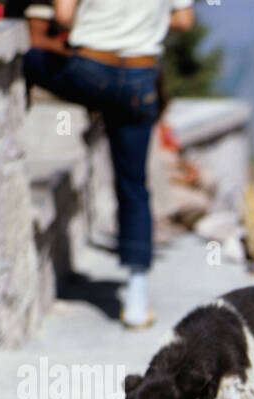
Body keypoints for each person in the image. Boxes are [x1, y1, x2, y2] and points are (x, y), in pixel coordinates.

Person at [24, 0, 194, 329]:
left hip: (91, 71)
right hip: (140, 77)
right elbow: (184, 20)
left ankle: (19, 140)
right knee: (133, 185)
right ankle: (136, 299)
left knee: (28, 59)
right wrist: (142, 23)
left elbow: (62, 14)